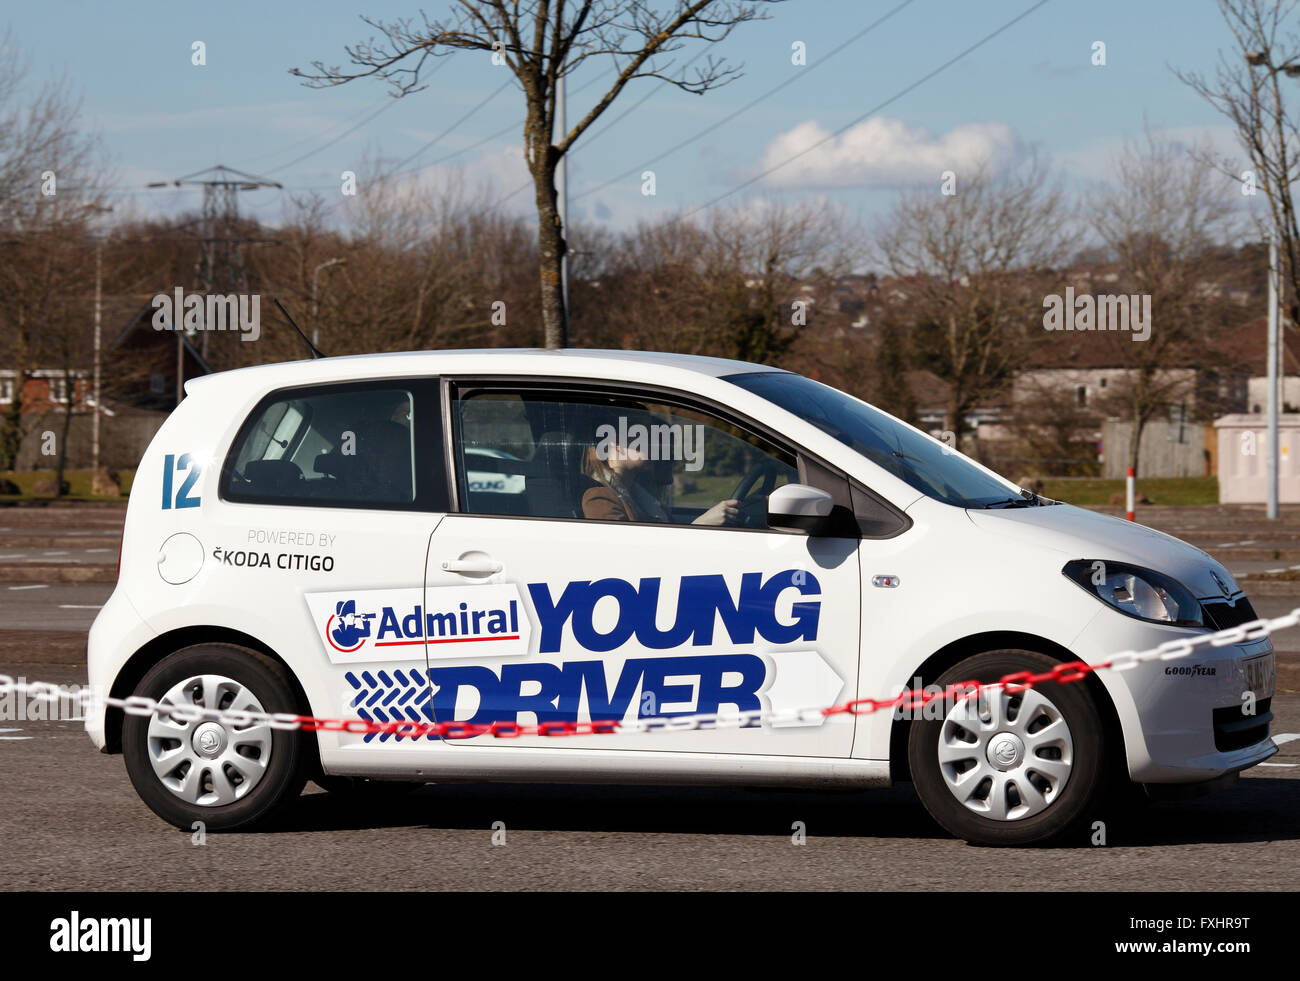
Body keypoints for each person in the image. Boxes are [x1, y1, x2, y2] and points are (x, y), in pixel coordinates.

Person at [579, 432, 738, 525]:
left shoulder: (639, 496)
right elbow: (628, 557)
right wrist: (701, 524)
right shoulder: (599, 497)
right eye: (637, 440)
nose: (651, 447)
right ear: (613, 451)